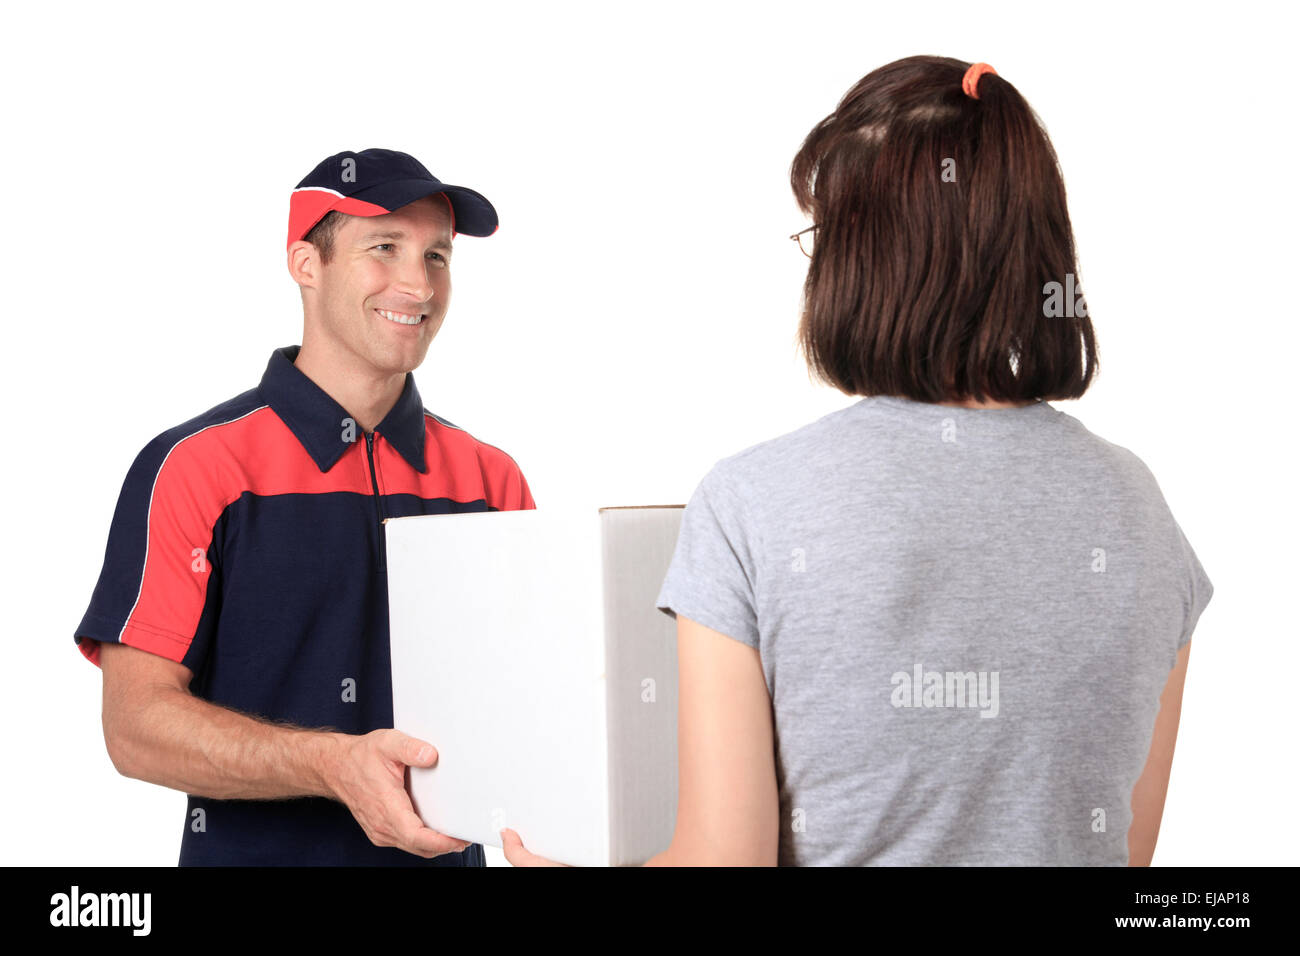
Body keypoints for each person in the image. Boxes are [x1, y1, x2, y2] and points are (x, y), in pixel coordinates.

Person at [502, 57, 1212, 866]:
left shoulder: (754, 504)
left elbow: (725, 862)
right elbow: (1127, 855)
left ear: (865, 257)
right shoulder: (1140, 508)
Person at [74, 147, 536, 866]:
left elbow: (534, 706)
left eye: (437, 257)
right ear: (306, 264)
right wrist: (329, 764)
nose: (417, 284)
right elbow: (134, 728)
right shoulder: (197, 467)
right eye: (384, 248)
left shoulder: (490, 480)